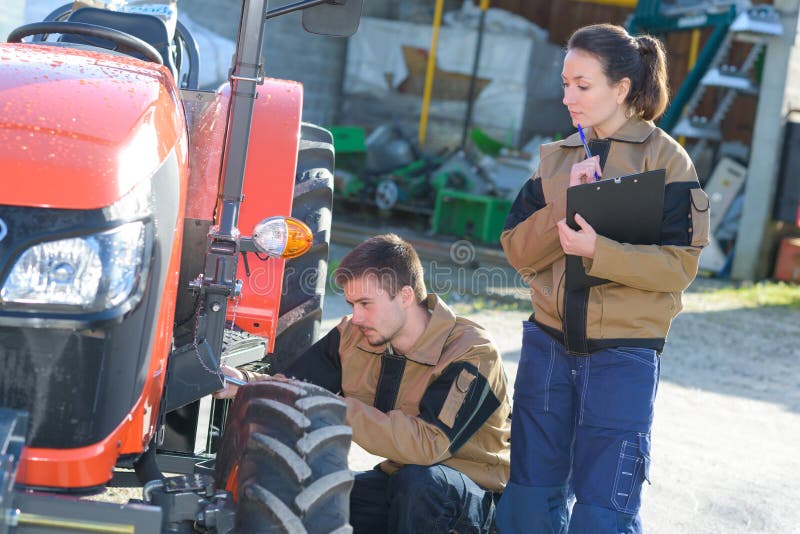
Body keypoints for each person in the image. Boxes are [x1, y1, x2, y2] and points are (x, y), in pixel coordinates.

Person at [495, 24, 710, 533]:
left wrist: (600, 252)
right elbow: (516, 252)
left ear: (622, 88)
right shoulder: (556, 158)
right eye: (565, 83)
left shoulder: (668, 161)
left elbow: (680, 267)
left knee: (602, 511)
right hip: (547, 345)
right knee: (527, 499)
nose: (568, 96)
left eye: (582, 85)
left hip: (624, 354)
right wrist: (564, 206)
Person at [216, 233, 511, 533]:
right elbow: (295, 389)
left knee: (422, 483)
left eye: (366, 304)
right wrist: (246, 383)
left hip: (472, 498)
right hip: (400, 482)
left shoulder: (472, 352)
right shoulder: (353, 337)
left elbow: (427, 445)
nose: (355, 317)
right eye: (351, 304)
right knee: (308, 502)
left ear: (406, 297)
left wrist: (332, 409)